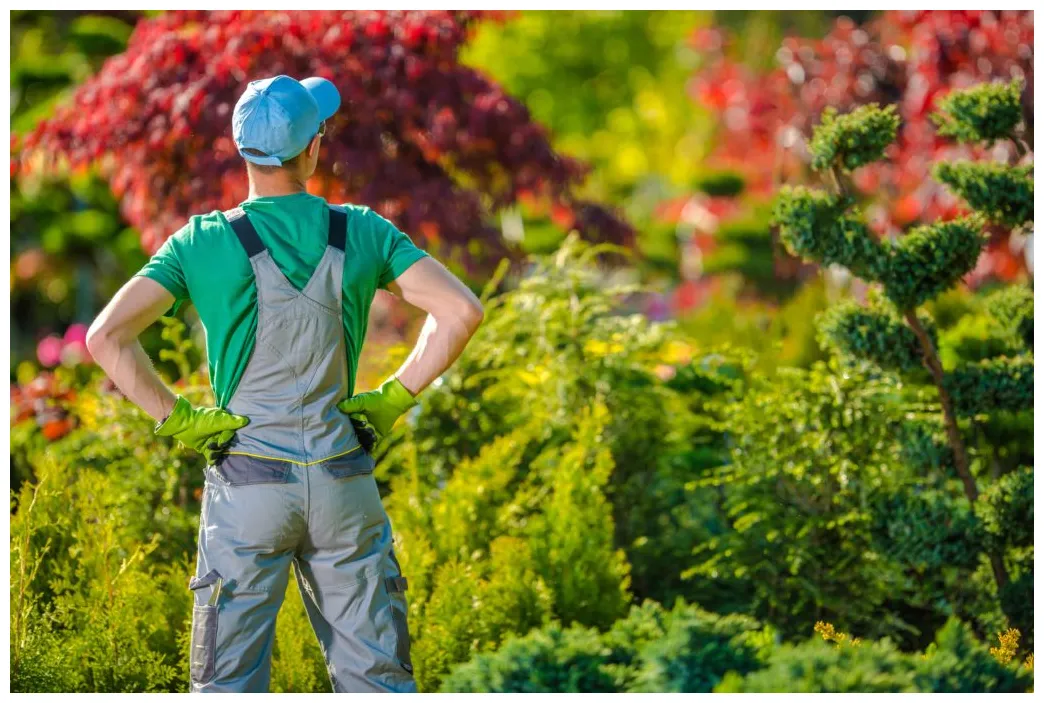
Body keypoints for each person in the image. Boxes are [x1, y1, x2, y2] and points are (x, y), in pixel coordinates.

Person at [86, 75, 484, 693]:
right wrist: (393, 397)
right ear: (313, 149)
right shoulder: (363, 232)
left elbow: (105, 337)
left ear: (243, 150)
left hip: (247, 489)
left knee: (226, 684)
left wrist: (183, 419)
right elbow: (461, 311)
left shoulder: (203, 242)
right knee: (378, 681)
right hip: (342, 483)